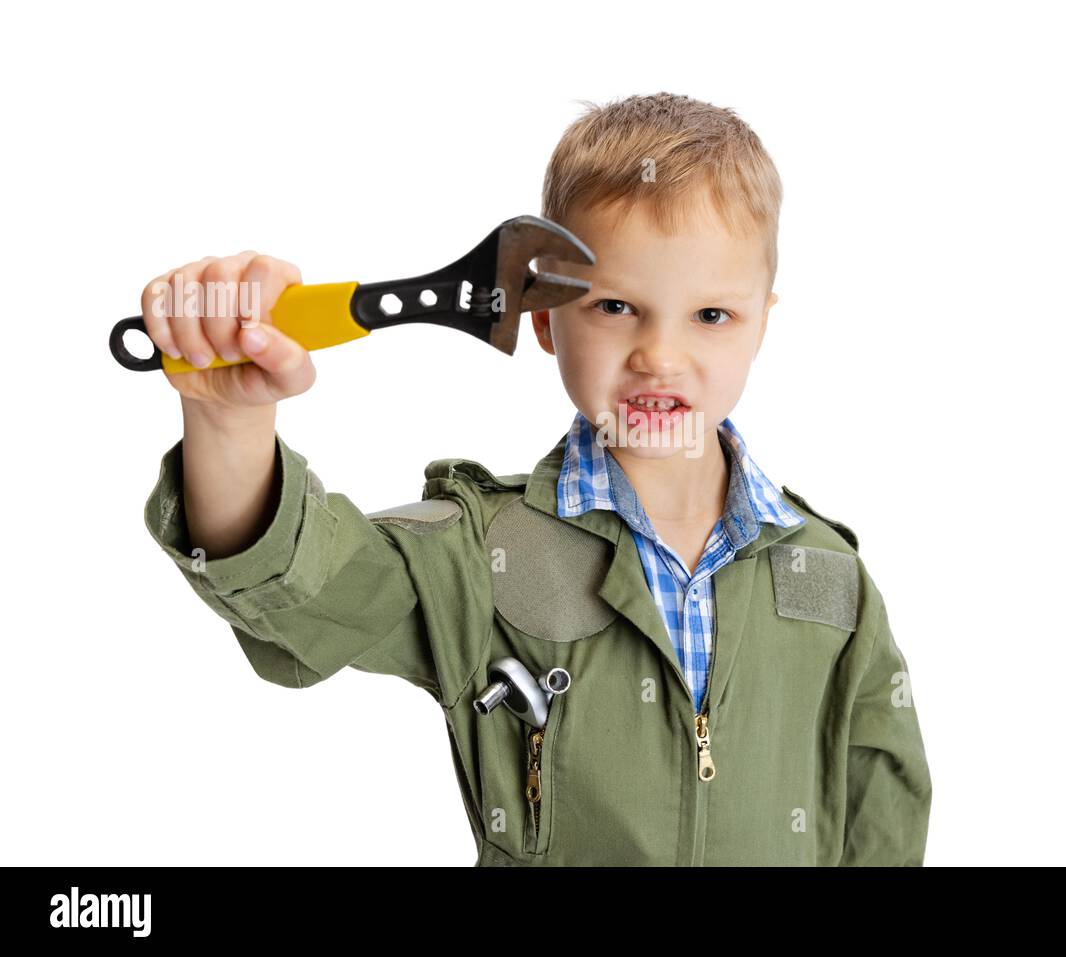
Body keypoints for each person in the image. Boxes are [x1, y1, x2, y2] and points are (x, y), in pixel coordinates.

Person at [141, 91, 933, 866]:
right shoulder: (480, 553)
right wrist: (228, 422)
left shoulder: (830, 578)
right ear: (546, 321)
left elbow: (885, 814)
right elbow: (313, 590)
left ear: (761, 322)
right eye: (617, 305)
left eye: (711, 315)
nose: (660, 354)